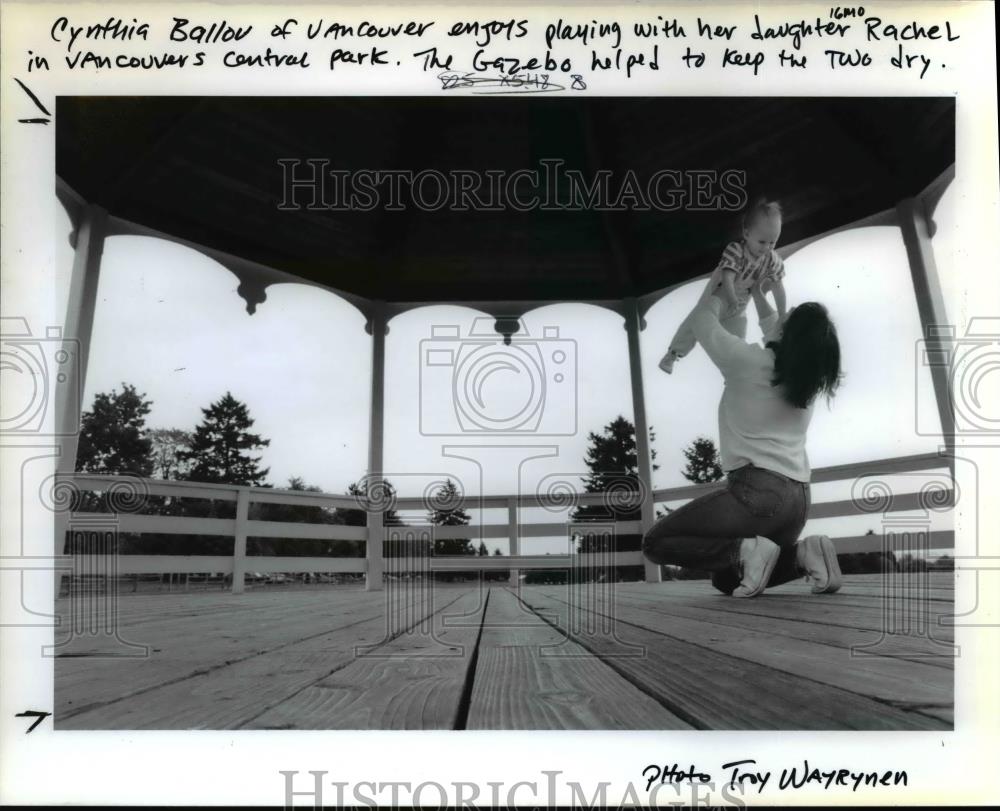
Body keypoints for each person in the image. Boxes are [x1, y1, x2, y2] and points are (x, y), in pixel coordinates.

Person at [642, 275, 844, 597]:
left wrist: (724, 295)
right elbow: (775, 332)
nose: (780, 315)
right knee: (725, 579)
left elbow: (702, 320)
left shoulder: (748, 362)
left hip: (758, 495)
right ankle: (805, 554)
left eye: (786, 316)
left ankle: (749, 551)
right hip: (798, 502)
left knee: (655, 542)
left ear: (787, 333)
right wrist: (761, 296)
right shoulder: (805, 382)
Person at [659, 199, 787, 374]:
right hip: (719, 296)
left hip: (739, 305)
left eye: (772, 242)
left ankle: (732, 373)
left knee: (738, 338)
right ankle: (673, 354)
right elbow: (728, 277)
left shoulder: (772, 260)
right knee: (697, 320)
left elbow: (778, 286)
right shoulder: (736, 250)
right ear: (746, 233)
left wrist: (782, 314)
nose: (767, 247)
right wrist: (732, 298)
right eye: (762, 242)